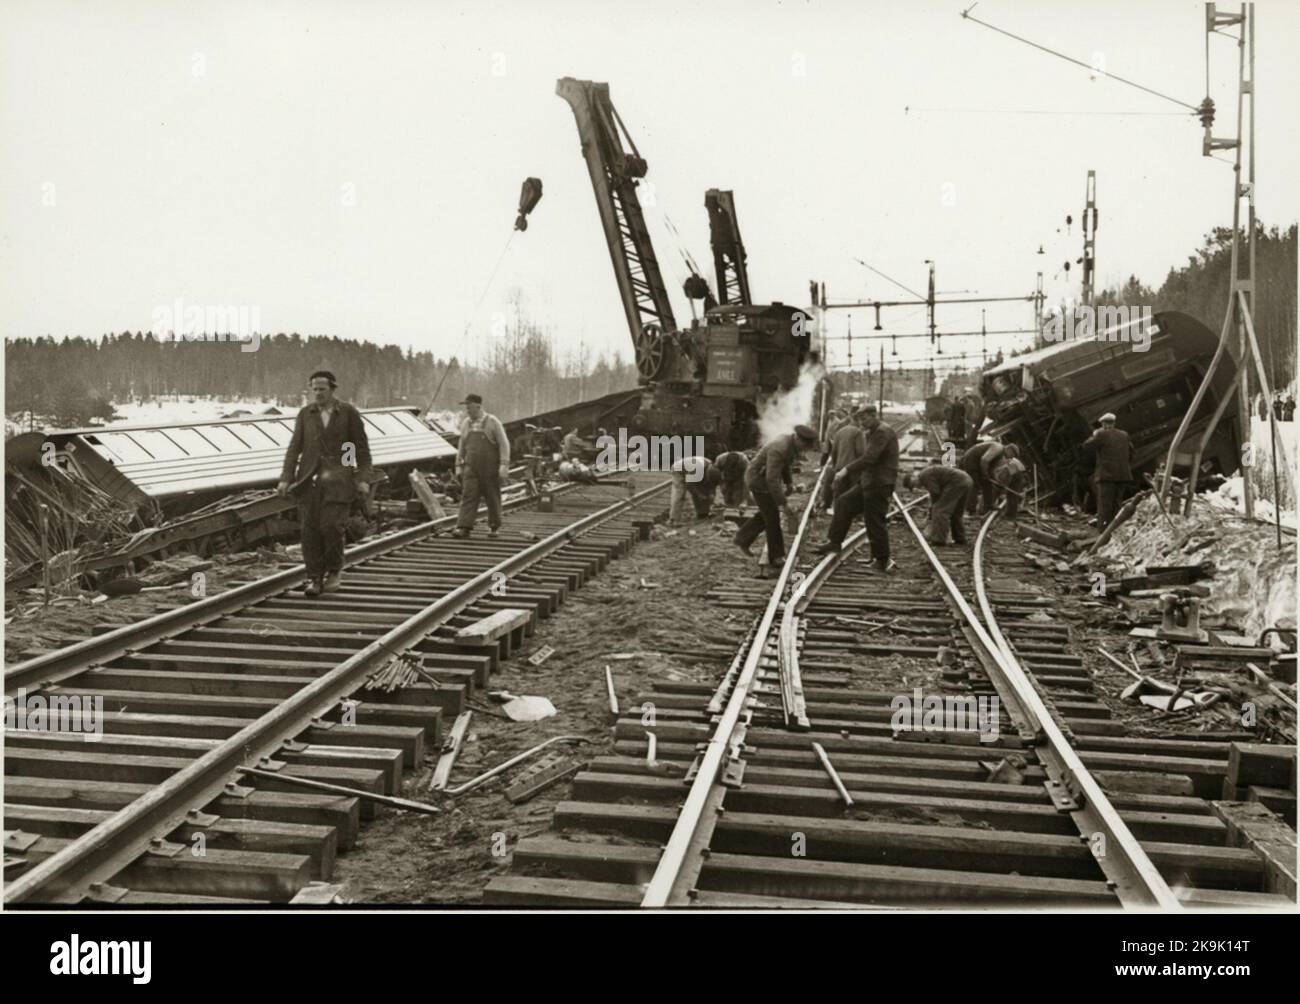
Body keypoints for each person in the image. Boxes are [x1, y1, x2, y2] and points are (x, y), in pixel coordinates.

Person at [277, 370, 373, 596]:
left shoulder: (348, 413)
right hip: (309, 481)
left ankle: (333, 572)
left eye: (322, 389)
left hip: (339, 482)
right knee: (310, 532)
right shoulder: (305, 414)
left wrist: (359, 477)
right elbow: (294, 448)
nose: (318, 393)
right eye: (314, 389)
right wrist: (285, 478)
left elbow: (357, 448)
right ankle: (314, 578)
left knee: (331, 527)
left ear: (332, 389)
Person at [813, 404, 899, 573]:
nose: (861, 422)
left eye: (865, 418)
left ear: (874, 415)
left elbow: (869, 458)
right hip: (869, 482)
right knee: (845, 502)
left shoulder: (882, 431)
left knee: (874, 520)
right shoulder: (873, 432)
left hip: (879, 483)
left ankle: (882, 560)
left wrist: (846, 470)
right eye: (859, 418)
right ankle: (834, 542)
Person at [734, 425, 818, 576]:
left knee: (767, 513)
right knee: (772, 518)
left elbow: (785, 465)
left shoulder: (791, 445)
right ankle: (776, 557)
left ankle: (742, 538)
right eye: (804, 445)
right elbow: (771, 479)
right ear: (798, 438)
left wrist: (789, 483)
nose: (805, 449)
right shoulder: (780, 447)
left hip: (765, 479)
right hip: (757, 481)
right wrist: (783, 504)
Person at [453, 394, 511, 539]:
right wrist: (458, 465)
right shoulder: (466, 423)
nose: (467, 410)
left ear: (478, 406)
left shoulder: (493, 422)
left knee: (492, 497)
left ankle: (494, 527)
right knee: (468, 496)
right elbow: (462, 445)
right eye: (466, 407)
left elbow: (504, 444)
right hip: (471, 466)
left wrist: (504, 465)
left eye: (469, 406)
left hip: (490, 468)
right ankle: (464, 527)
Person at [904, 461, 974, 546]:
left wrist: (932, 511)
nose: (916, 487)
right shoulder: (927, 474)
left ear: (913, 477)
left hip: (957, 482)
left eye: (913, 485)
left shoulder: (924, 476)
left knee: (940, 510)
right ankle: (960, 539)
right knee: (956, 513)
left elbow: (935, 494)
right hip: (967, 480)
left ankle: (939, 540)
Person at [1091, 412, 1132, 528]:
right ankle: (1116, 529)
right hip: (1123, 475)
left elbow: (1086, 446)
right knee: (1117, 504)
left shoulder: (1100, 434)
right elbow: (1132, 452)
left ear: (1103, 424)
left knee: (1105, 506)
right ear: (1114, 423)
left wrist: (1094, 434)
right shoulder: (1124, 434)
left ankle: (1103, 533)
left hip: (1106, 476)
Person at [822, 407, 867, 511]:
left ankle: (838, 510)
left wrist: (836, 465)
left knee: (839, 492)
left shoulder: (840, 432)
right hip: (853, 468)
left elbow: (834, 452)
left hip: (840, 467)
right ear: (858, 420)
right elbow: (861, 452)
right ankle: (854, 511)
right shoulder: (858, 432)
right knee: (853, 492)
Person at [959, 440, 1019, 515]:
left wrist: (996, 480)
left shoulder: (1000, 456)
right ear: (1009, 450)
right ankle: (971, 510)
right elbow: (984, 460)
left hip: (979, 463)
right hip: (971, 460)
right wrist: (985, 474)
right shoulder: (998, 448)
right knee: (975, 485)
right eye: (1011, 455)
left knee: (987, 483)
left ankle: (989, 505)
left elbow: (992, 470)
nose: (1009, 458)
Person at [668, 455, 722, 523]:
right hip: (678, 470)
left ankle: (702, 513)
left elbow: (711, 485)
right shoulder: (696, 469)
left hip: (692, 470)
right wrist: (700, 494)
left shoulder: (712, 467)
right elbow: (690, 486)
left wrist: (712, 494)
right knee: (680, 493)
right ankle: (673, 519)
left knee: (704, 491)